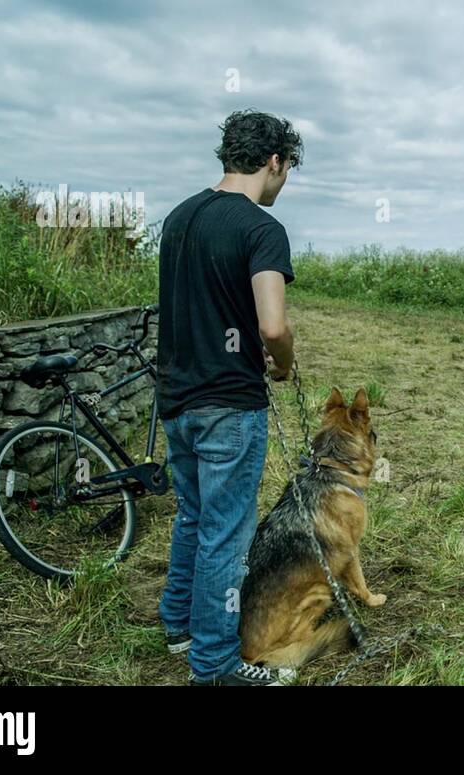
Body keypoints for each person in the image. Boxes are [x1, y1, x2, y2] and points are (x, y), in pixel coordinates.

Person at [155, 109, 301, 685]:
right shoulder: (262, 230)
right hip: (229, 406)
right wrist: (284, 364)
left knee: (192, 516)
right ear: (274, 161)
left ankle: (177, 624)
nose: (283, 182)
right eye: (286, 169)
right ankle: (214, 666)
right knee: (226, 534)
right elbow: (272, 326)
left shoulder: (178, 218)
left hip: (177, 400)